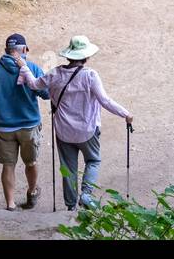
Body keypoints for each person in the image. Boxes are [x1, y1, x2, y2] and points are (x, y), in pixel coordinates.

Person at [17, 35, 132, 211]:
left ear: (68, 55)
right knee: (93, 160)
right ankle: (86, 194)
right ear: (86, 57)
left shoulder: (55, 73)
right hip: (87, 130)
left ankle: (70, 207)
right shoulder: (91, 76)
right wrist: (126, 114)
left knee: (67, 169)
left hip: (63, 131)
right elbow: (105, 101)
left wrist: (24, 68)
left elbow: (33, 84)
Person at [0, 33, 49, 210]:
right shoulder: (32, 68)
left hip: (5, 127)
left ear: (6, 50)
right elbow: (46, 93)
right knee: (31, 162)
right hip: (29, 125)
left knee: (8, 165)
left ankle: (10, 204)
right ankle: (32, 192)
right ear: (24, 49)